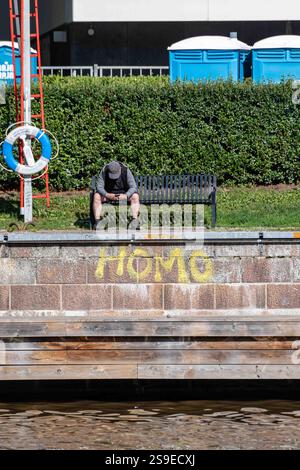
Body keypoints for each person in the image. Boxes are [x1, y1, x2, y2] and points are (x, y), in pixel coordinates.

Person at [93, 161, 140, 230]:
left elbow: (133, 187)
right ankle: (97, 222)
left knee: (135, 196)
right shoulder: (104, 170)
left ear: (120, 169)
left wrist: (126, 195)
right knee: (96, 196)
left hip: (123, 193)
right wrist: (107, 195)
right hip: (108, 193)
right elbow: (99, 187)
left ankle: (134, 221)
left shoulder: (126, 170)